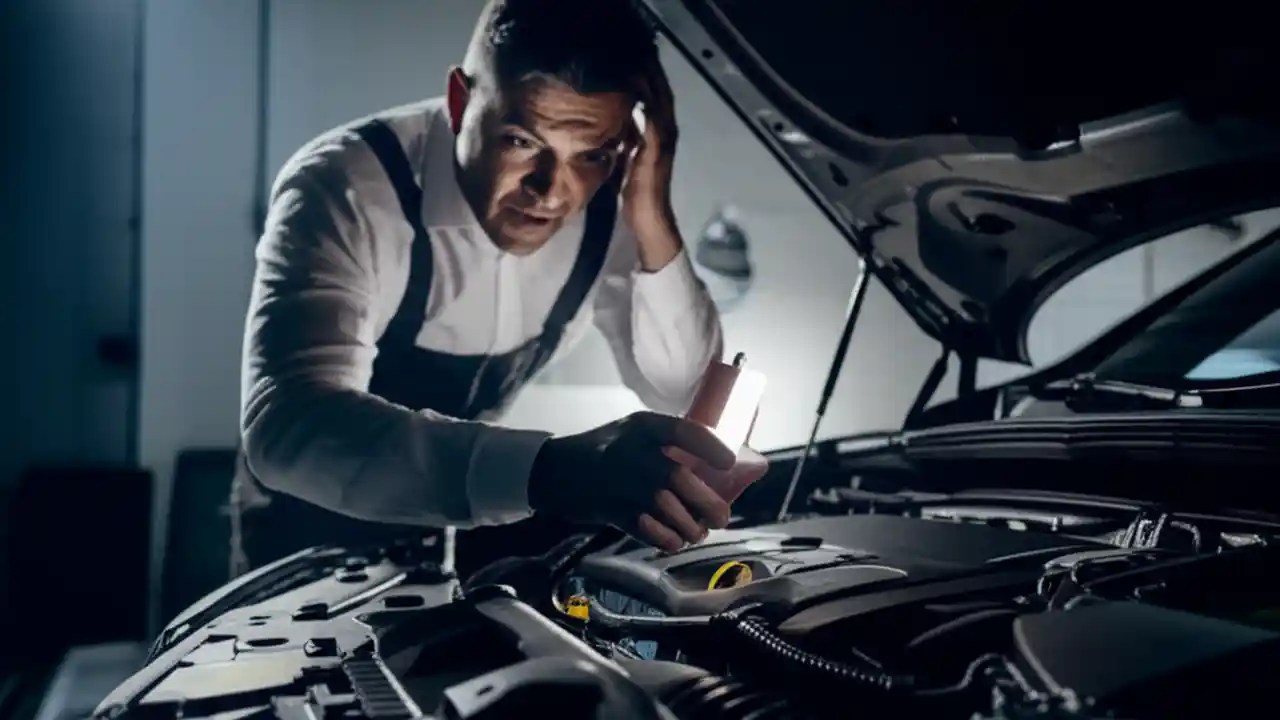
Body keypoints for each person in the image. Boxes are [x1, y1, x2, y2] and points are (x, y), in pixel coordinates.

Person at [230, 0, 767, 578]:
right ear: (461, 102)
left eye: (591, 155)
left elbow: (687, 399)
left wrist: (653, 212)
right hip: (302, 555)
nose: (551, 191)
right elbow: (289, 423)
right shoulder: (348, 186)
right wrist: (549, 472)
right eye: (521, 141)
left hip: (444, 549)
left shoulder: (612, 206)